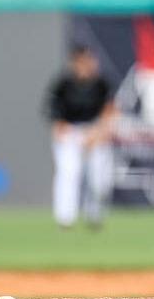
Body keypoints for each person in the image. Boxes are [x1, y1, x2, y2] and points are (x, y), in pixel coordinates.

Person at [46, 45, 116, 230]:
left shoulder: (101, 84)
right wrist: (67, 134)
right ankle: (65, 219)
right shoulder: (63, 85)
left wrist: (98, 133)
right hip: (71, 133)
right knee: (69, 173)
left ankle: (95, 216)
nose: (85, 65)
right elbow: (55, 118)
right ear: (74, 63)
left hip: (95, 131)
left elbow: (110, 111)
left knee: (99, 178)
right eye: (81, 62)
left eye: (88, 60)